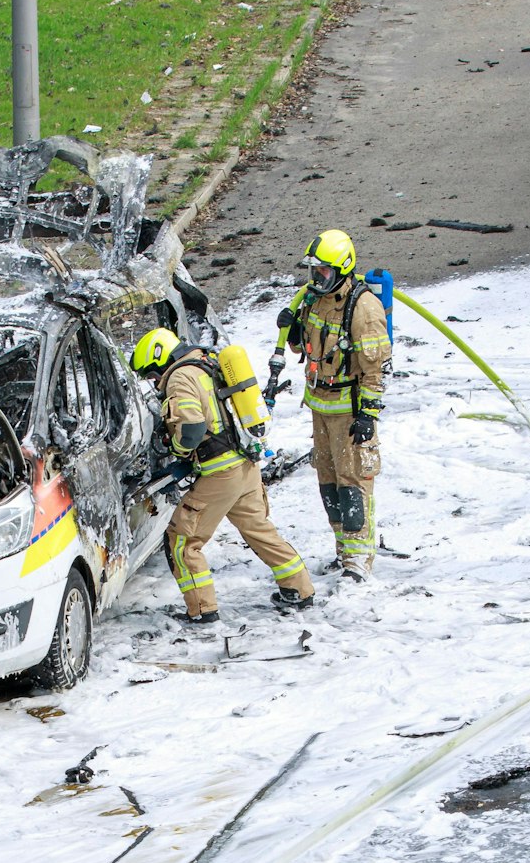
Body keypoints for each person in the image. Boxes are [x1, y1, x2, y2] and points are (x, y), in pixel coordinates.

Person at [130, 328, 315, 622]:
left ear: (159, 358)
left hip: (220, 471)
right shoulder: (210, 362)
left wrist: (175, 447)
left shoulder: (180, 377)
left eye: (152, 374)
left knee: (182, 540)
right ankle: (299, 589)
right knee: (259, 529)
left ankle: (202, 611)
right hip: (246, 465)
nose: (155, 381)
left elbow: (191, 431)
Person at [281, 229, 391, 580]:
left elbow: (376, 368)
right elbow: (306, 350)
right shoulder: (315, 300)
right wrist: (294, 333)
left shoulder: (363, 308)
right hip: (320, 407)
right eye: (313, 271)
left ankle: (358, 561)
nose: (316, 278)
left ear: (342, 269)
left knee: (353, 482)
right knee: (328, 482)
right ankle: (342, 550)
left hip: (348, 412)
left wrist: (367, 415)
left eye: (323, 272)